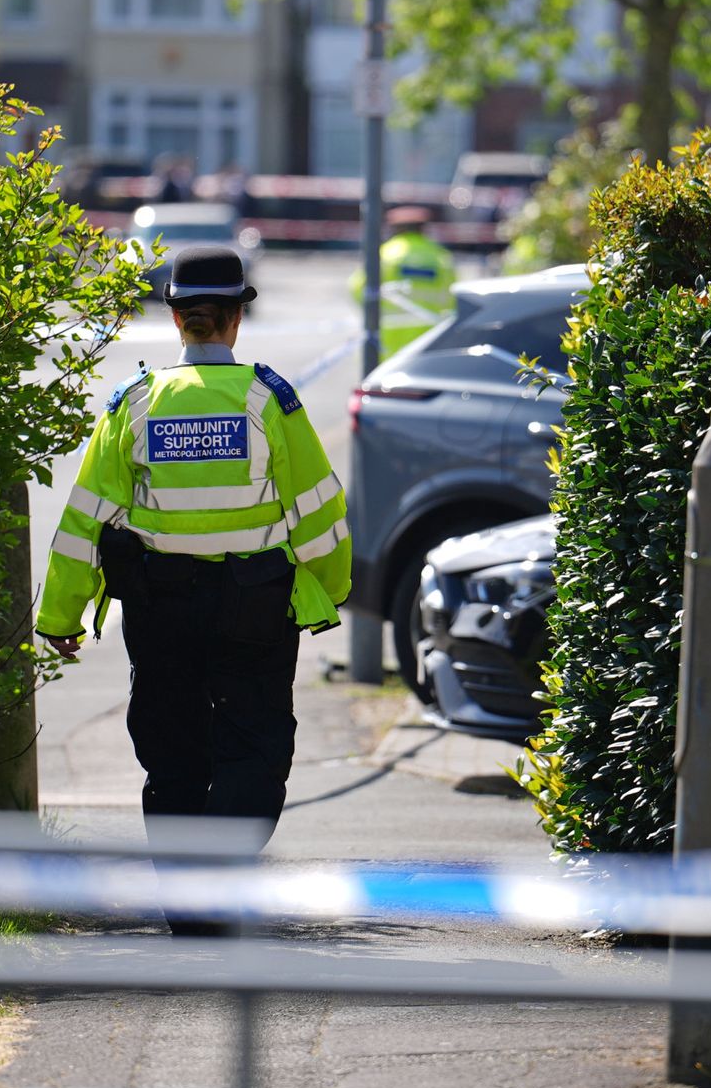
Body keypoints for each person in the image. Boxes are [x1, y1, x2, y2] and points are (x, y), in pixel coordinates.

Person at [35, 246, 350, 855]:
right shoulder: (269, 400)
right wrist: (330, 587)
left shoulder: (135, 403)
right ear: (237, 320)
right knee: (254, 750)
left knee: (172, 753)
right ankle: (219, 876)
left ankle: (186, 891)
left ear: (176, 319)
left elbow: (86, 518)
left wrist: (60, 615)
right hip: (255, 610)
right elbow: (318, 509)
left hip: (160, 608)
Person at [347, 205, 456, 356]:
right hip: (429, 341)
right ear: (423, 229)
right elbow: (454, 298)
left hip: (386, 342)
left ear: (394, 229)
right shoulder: (440, 258)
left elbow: (359, 290)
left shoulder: (384, 255)